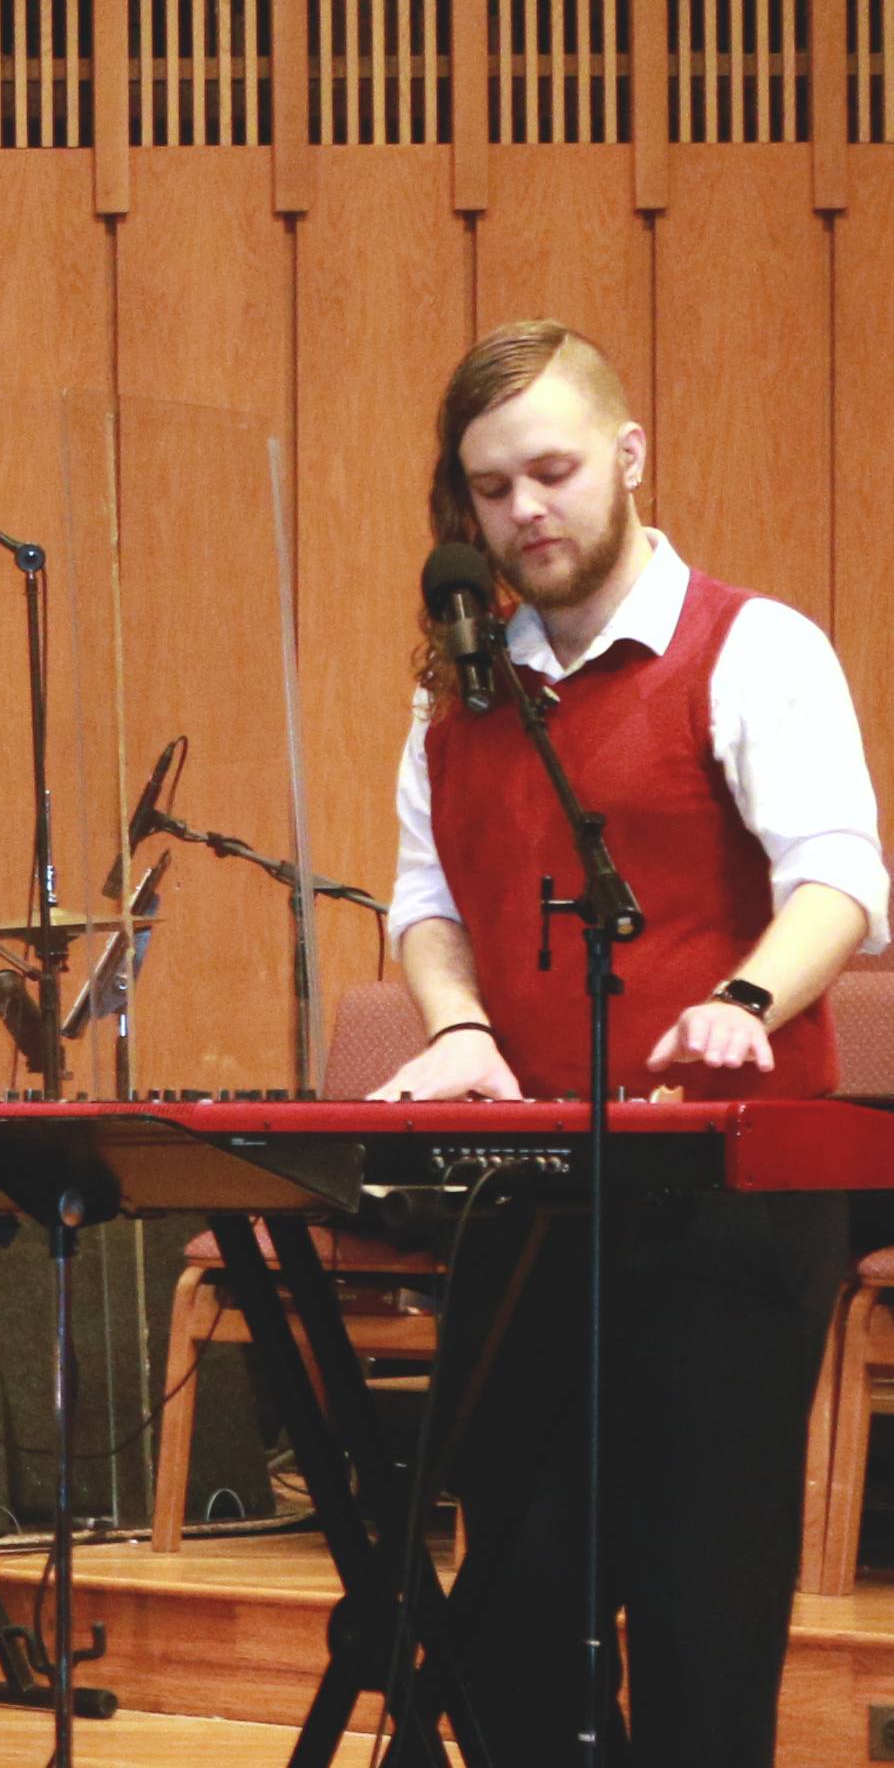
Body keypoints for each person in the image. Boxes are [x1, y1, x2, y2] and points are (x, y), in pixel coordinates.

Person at [361, 321, 883, 1765]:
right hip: (532, 1199)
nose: (524, 510)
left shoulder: (752, 646)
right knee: (519, 1599)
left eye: (552, 470)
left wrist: (748, 1002)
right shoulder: (454, 701)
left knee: (703, 1603)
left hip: (725, 1198)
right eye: (490, 488)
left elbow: (840, 871)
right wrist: (458, 1024)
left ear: (628, 456)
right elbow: (423, 900)